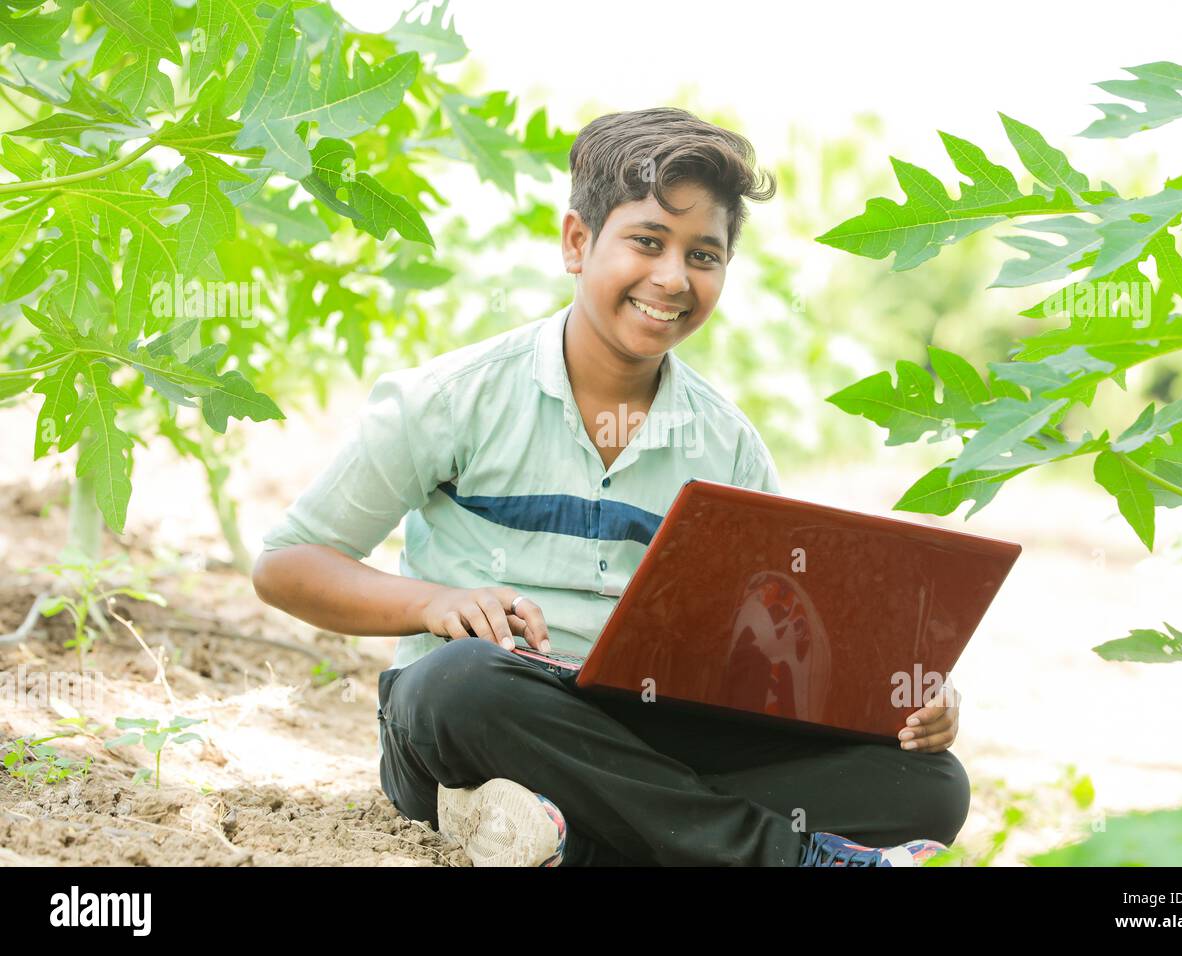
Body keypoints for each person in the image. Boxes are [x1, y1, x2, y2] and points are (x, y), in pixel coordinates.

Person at [253, 107, 968, 867]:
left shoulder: (728, 448)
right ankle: (782, 859)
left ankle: (563, 838)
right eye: (648, 242)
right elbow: (288, 564)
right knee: (454, 684)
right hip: (487, 717)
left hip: (640, 738)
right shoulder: (453, 398)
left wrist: (898, 695)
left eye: (704, 255)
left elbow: (775, 652)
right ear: (577, 241)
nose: (672, 278)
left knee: (929, 784)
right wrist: (435, 604)